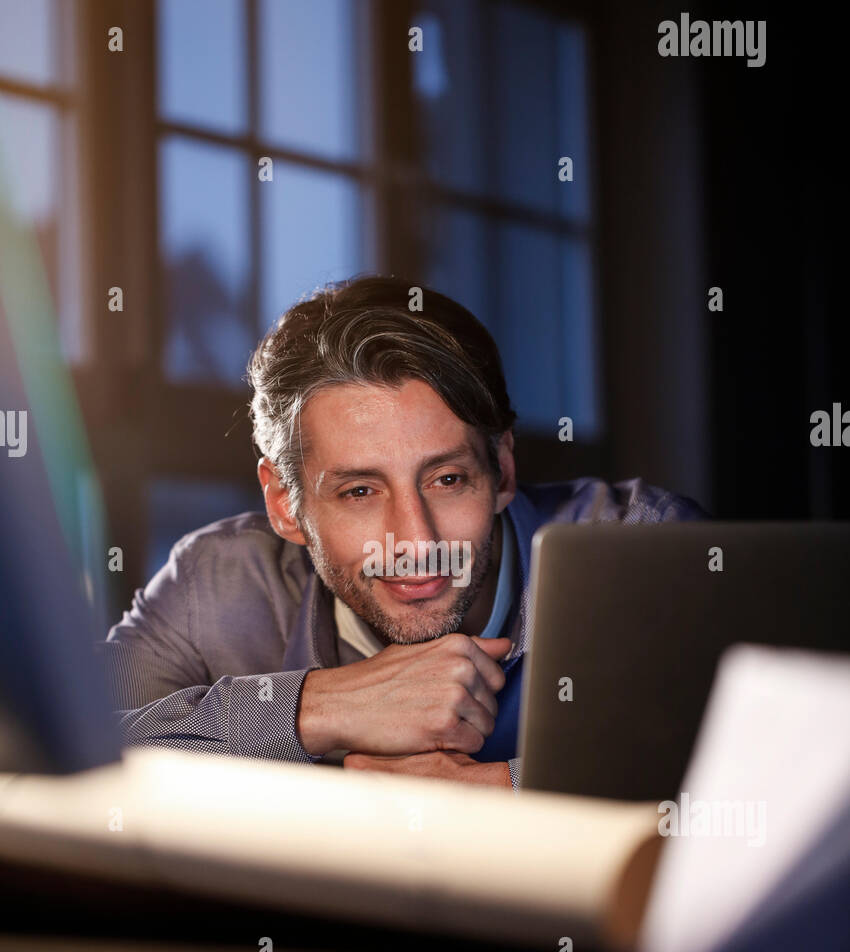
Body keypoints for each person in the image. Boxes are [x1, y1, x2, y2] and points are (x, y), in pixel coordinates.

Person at [102, 276, 705, 787]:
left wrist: (512, 789)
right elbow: (61, 745)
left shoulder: (641, 547)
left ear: (502, 470)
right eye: (359, 492)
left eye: (446, 479)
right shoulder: (215, 582)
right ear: (285, 503)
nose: (415, 542)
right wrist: (318, 708)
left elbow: (775, 763)